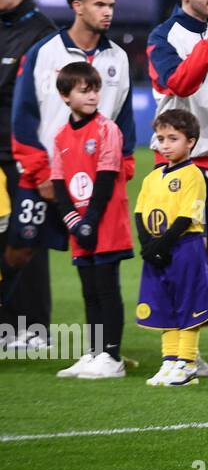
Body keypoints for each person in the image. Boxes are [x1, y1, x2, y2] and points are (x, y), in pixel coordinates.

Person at [11, 0, 136, 362]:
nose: (108, 12)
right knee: (19, 248)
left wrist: (122, 170)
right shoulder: (44, 53)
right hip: (47, 177)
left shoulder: (117, 58)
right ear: (76, 6)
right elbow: (24, 117)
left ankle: (104, 352)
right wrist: (39, 172)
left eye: (112, 5)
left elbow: (125, 121)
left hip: (97, 181)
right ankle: (17, 328)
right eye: (100, 4)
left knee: (97, 264)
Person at [146, 0, 208, 378]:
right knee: (182, 259)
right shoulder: (162, 38)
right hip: (180, 165)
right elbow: (176, 80)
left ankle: (189, 338)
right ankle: (178, 348)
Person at [49, 63, 134, 380]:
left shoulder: (106, 129)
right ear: (65, 96)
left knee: (106, 288)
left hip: (106, 224)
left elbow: (107, 176)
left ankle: (112, 356)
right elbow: (58, 182)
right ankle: (94, 352)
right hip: (80, 227)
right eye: (84, 91)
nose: (93, 96)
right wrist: (73, 221)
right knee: (89, 290)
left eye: (96, 89)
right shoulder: (60, 137)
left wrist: (90, 221)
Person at [0, 0, 56, 353]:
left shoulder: (41, 35)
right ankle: (7, 327)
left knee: (26, 237)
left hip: (22, 154)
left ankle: (33, 328)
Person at [135, 110, 208, 388]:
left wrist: (162, 246)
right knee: (164, 305)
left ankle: (187, 363)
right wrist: (148, 247)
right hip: (156, 251)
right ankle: (169, 361)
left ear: (190, 142)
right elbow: (139, 212)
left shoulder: (193, 175)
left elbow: (186, 216)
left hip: (184, 247)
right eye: (161, 138)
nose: (165, 145)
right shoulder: (152, 177)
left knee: (188, 304)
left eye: (173, 138)